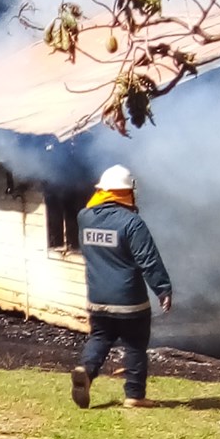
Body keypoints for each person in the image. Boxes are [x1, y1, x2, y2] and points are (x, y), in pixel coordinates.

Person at [70, 164, 172, 410]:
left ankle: (87, 371)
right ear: (126, 193)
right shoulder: (132, 223)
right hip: (129, 300)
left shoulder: (84, 217)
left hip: (97, 297)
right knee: (135, 344)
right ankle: (135, 395)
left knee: (100, 337)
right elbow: (148, 259)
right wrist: (163, 289)